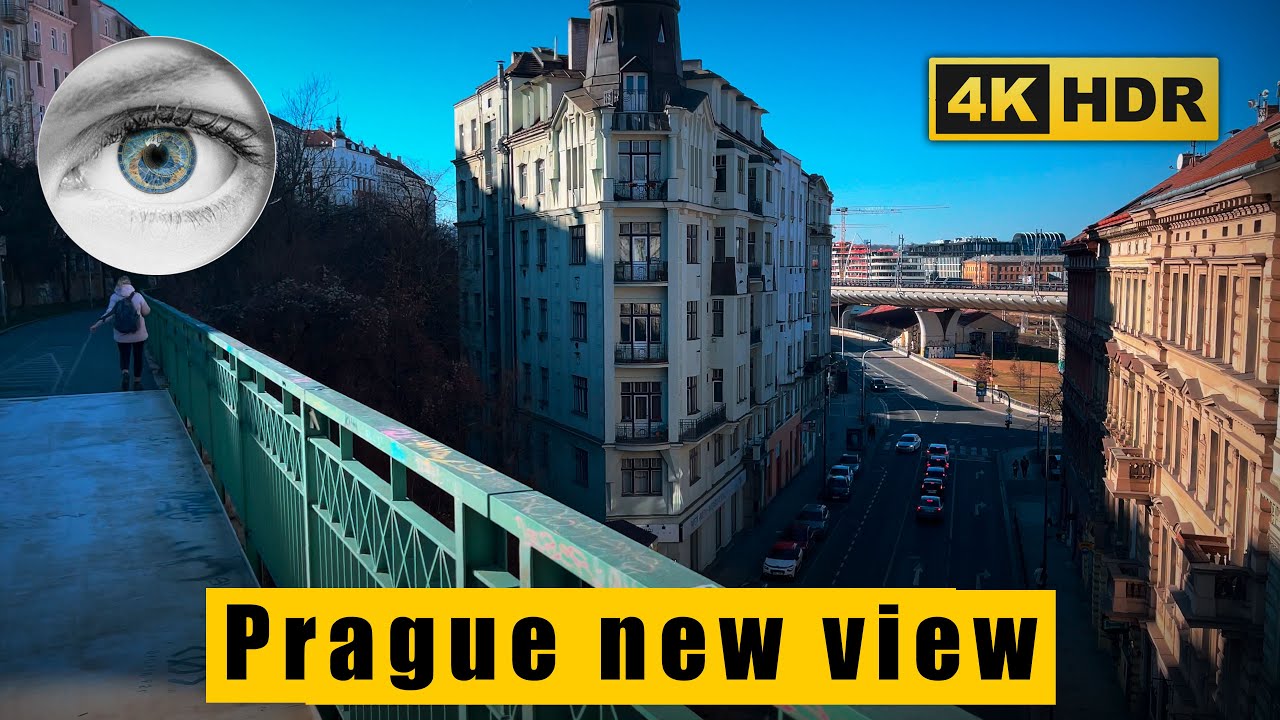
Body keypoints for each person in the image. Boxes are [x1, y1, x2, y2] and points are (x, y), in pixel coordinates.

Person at [90, 276, 151, 391]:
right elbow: (146, 312)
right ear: (130, 284)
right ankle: (137, 382)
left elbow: (109, 314)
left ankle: (125, 373)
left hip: (121, 334)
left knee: (124, 355)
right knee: (138, 356)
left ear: (118, 285)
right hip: (138, 333)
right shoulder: (137, 296)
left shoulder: (114, 297)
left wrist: (96, 325)